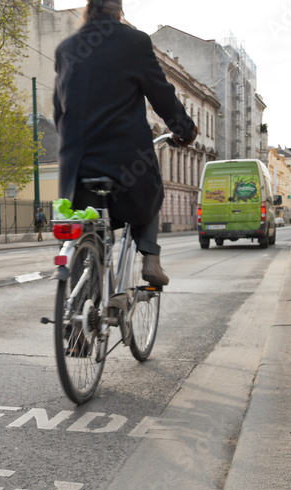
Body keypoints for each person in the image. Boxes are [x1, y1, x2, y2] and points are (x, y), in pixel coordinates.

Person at [52, 0, 196, 287]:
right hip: (126, 159)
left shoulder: (66, 48)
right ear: (119, 12)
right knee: (151, 191)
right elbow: (161, 95)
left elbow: (59, 110)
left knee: (83, 225)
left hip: (77, 164)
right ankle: (151, 258)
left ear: (88, 11)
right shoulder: (135, 41)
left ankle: (81, 299)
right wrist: (185, 129)